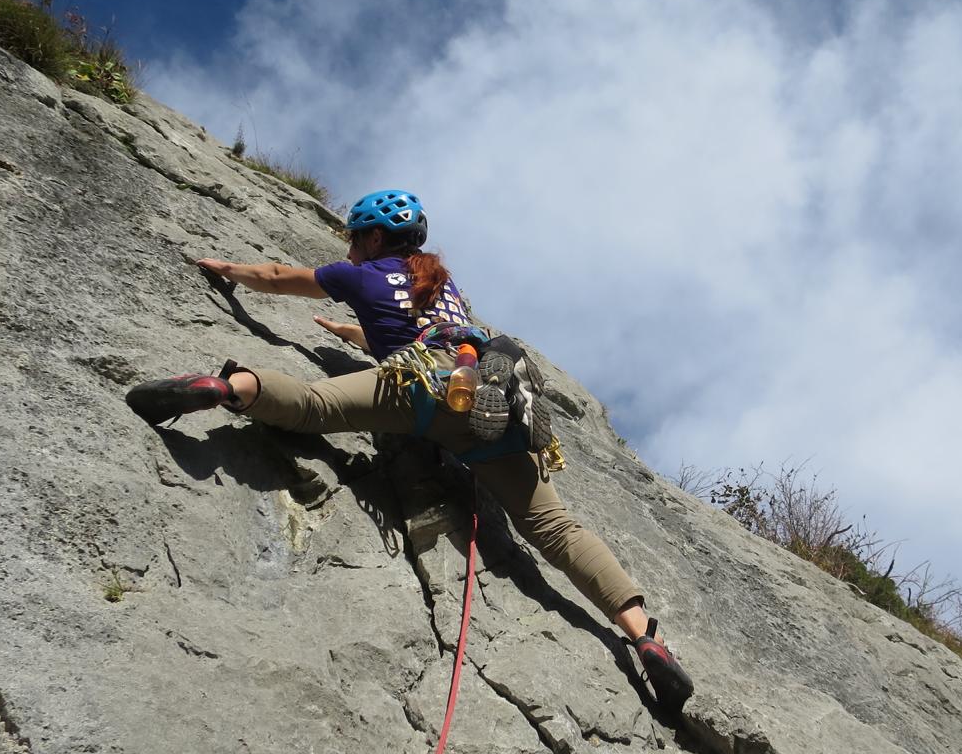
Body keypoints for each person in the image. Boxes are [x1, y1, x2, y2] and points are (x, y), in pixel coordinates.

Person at [125, 189, 694, 712]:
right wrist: (349, 334)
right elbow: (421, 328)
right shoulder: (444, 287)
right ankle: (645, 636)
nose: (349, 246)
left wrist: (224, 270)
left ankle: (226, 388)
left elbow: (277, 277)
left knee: (312, 407)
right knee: (556, 529)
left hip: (416, 385)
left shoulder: (358, 275)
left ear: (372, 239)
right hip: (479, 390)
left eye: (354, 237)